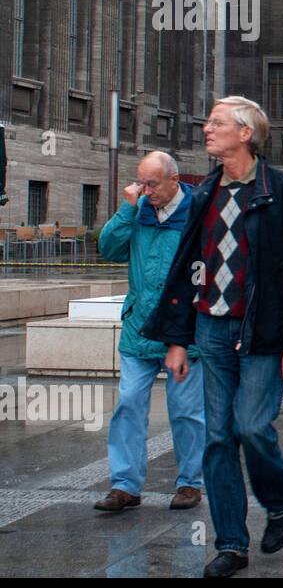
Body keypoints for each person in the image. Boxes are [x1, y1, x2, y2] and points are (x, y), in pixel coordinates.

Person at [145, 96, 283, 579]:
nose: (206, 129)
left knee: (250, 427)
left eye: (217, 122)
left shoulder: (282, 191)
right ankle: (231, 544)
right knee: (217, 439)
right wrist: (178, 340)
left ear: (246, 133)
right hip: (212, 328)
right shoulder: (204, 194)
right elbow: (184, 271)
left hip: (262, 332)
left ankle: (279, 501)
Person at [94, 151, 205, 514]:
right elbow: (108, 249)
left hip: (183, 334)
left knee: (186, 410)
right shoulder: (137, 210)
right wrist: (127, 210)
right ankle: (125, 485)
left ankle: (190, 482)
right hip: (139, 329)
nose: (145, 190)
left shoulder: (198, 213)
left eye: (152, 183)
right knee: (128, 405)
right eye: (141, 182)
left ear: (174, 180)